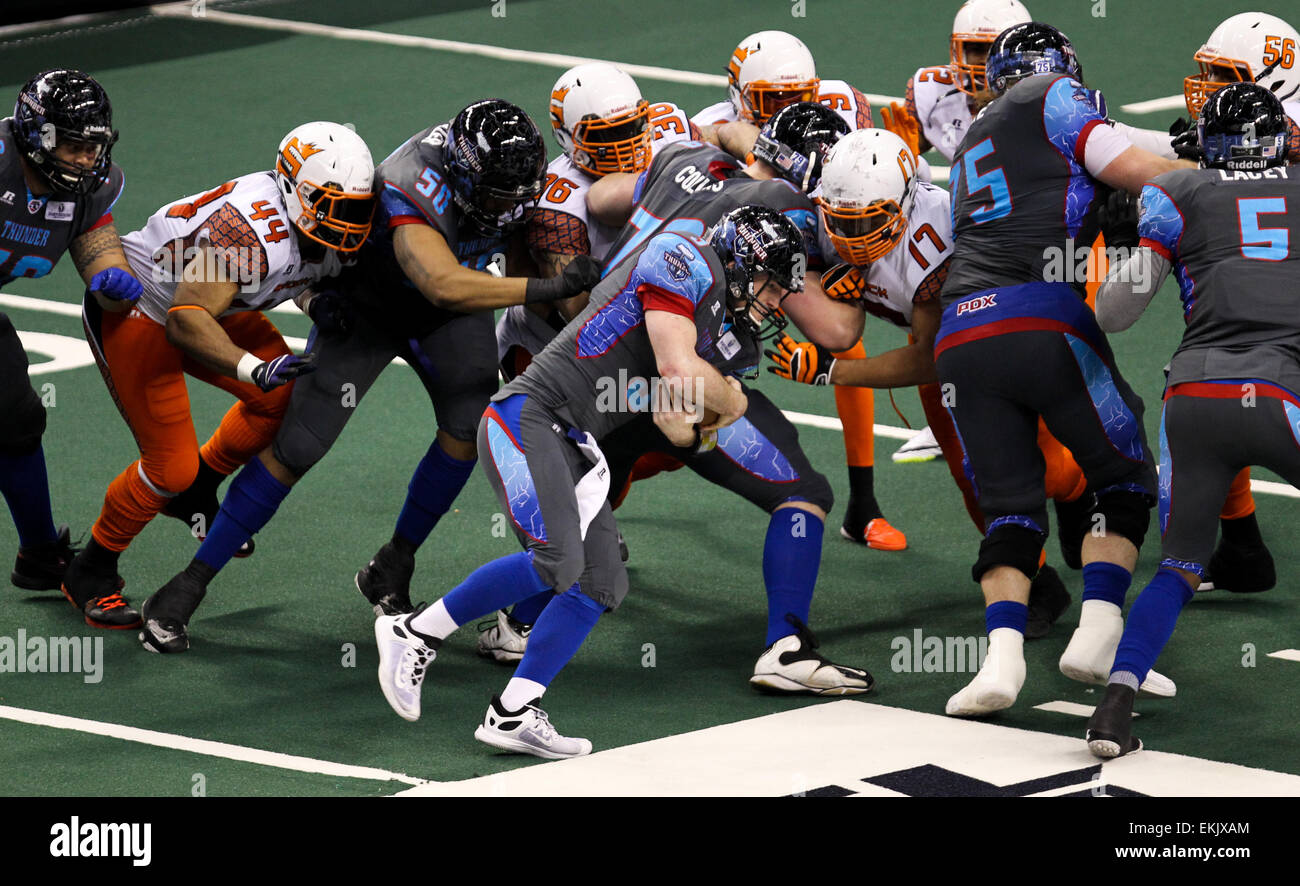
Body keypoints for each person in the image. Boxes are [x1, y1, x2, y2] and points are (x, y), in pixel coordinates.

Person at [374, 206, 853, 759]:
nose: (775, 305)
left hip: (575, 438)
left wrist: (716, 400)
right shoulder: (684, 258)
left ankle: (512, 713)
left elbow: (682, 431)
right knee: (556, 559)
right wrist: (729, 398)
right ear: (744, 264)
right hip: (528, 414)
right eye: (771, 287)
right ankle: (414, 631)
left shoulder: (734, 338)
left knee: (601, 583)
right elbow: (682, 374)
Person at [139, 100, 600, 652]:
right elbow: (441, 283)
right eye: (500, 193)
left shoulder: (510, 180)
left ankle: (394, 562)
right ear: (463, 171)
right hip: (369, 309)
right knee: (299, 446)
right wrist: (548, 289)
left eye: (519, 194)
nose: (510, 206)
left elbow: (515, 250)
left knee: (464, 430)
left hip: (450, 318)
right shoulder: (413, 179)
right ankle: (193, 581)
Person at [478, 105, 872, 694]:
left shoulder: (681, 158)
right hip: (685, 375)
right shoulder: (782, 212)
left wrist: (712, 152)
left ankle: (517, 623)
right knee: (801, 491)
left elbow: (601, 200)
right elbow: (837, 332)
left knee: (590, 496)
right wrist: (853, 273)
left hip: (603, 372)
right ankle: (785, 647)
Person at [931, 22, 1189, 717]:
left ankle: (1001, 662)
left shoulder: (973, 136)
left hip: (961, 333)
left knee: (1011, 509)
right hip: (1040, 317)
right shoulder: (1055, 97)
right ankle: (1100, 634)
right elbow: (1132, 168)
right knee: (1126, 473)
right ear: (1059, 71)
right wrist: (1221, 177)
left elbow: (1112, 150)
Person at [765, 126, 1078, 638]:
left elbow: (931, 359)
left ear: (906, 203)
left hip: (1006, 331)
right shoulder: (822, 211)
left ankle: (1077, 490)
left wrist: (833, 371)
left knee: (1041, 465)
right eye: (841, 220)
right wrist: (834, 285)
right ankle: (1038, 581)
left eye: (869, 221)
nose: (852, 235)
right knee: (974, 477)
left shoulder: (940, 239)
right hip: (949, 353)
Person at [65, 121, 374, 631]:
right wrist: (254, 367)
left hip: (214, 304)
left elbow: (292, 270)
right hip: (145, 308)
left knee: (282, 404)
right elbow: (186, 320)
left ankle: (198, 489)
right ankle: (91, 566)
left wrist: (313, 301)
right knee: (169, 468)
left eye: (354, 209)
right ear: (295, 192)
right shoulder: (248, 231)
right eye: (331, 205)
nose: (345, 221)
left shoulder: (304, 222)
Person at [1086, 83, 1296, 757]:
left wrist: (1124, 247)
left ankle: (1115, 706)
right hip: (1285, 391)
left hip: (1196, 393)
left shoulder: (1176, 192)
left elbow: (1114, 315)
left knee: (1178, 563)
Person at [1, 69, 141, 620]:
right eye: (73, 146)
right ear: (36, 136)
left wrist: (113, 285)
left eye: (93, 147)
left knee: (14, 415)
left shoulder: (87, 193)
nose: (85, 159)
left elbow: (100, 253)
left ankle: (39, 554)